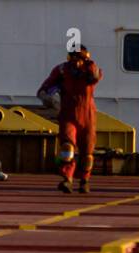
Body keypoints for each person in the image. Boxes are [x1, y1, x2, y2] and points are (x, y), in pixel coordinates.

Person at [38, 45, 103, 194]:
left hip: (88, 116)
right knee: (67, 148)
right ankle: (67, 178)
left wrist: (89, 64)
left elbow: (95, 77)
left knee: (87, 154)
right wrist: (47, 97)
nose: (75, 62)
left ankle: (84, 181)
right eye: (72, 58)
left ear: (84, 58)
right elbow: (45, 88)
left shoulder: (91, 71)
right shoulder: (62, 71)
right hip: (68, 114)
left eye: (79, 58)